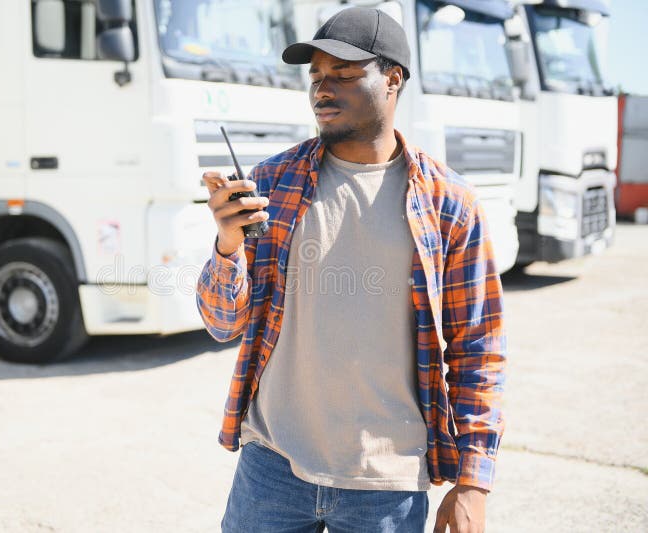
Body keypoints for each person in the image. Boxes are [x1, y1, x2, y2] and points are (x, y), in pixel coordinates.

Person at [196, 7, 506, 533]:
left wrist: (473, 484)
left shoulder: (449, 204)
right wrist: (227, 246)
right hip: (271, 467)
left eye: (342, 73)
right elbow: (222, 324)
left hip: (386, 484)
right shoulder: (272, 184)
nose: (322, 88)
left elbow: (479, 348)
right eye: (316, 75)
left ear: (392, 79)